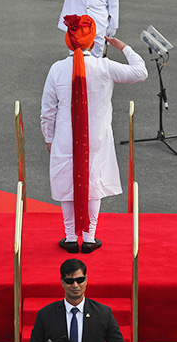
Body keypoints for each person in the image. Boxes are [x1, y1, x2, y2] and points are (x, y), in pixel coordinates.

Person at [41, 14, 147, 253]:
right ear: (92, 41)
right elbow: (141, 73)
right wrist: (124, 47)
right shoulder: (104, 66)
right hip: (97, 138)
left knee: (67, 183)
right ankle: (89, 237)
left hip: (65, 137)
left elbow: (47, 110)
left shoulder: (57, 69)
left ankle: (70, 237)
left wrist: (49, 137)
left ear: (68, 40)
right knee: (93, 183)